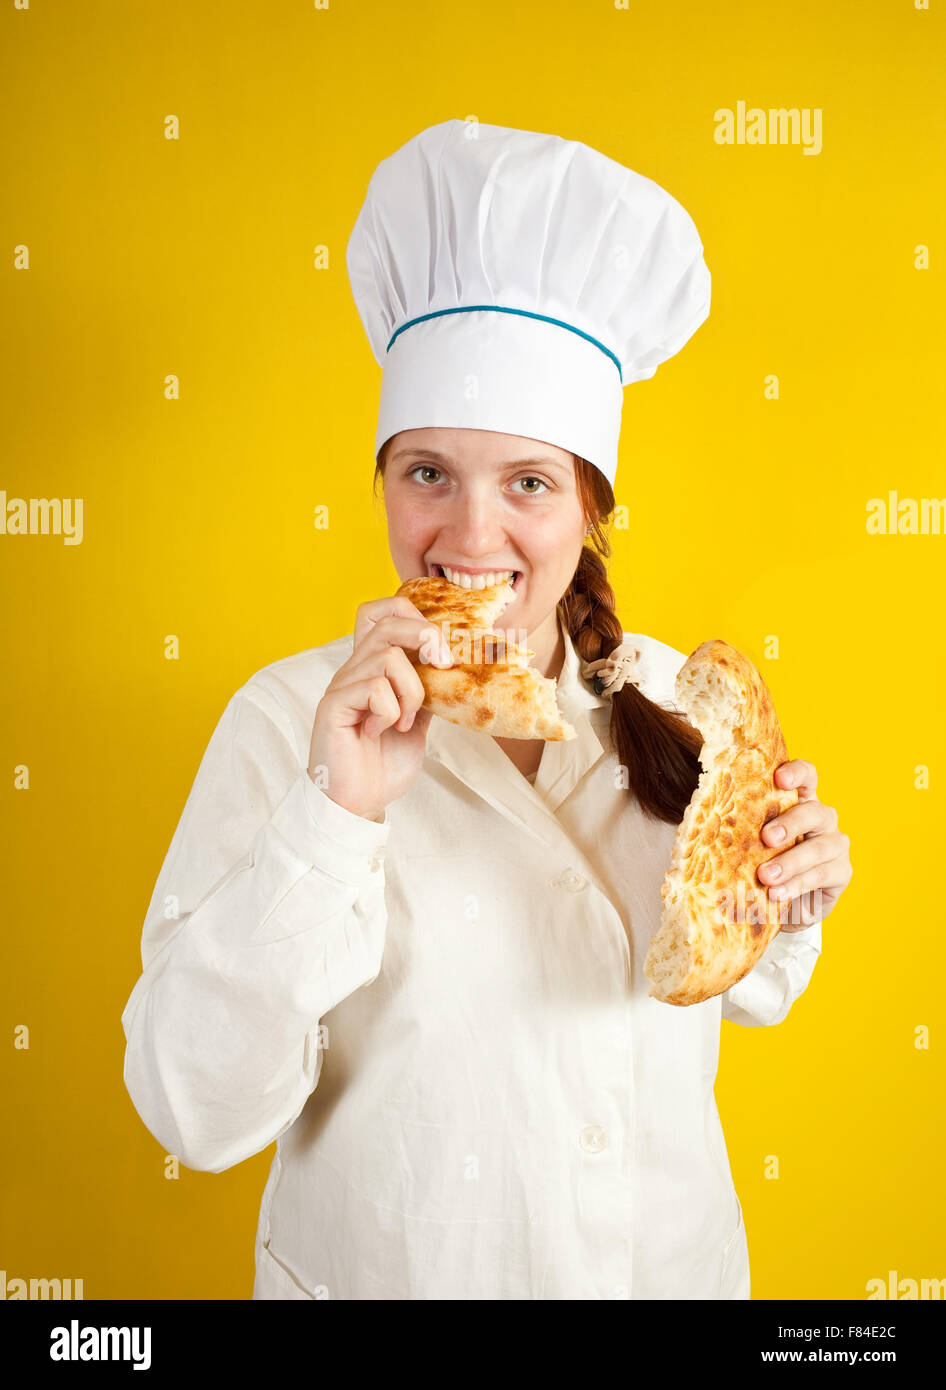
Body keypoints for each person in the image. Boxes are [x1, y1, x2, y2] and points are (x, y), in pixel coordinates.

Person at [120, 120, 852, 1300]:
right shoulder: (286, 721)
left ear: (586, 508)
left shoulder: (677, 700)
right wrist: (333, 820)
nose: (468, 536)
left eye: (525, 482)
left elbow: (752, 986)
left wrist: (791, 894)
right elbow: (195, 1114)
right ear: (383, 484)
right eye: (426, 473)